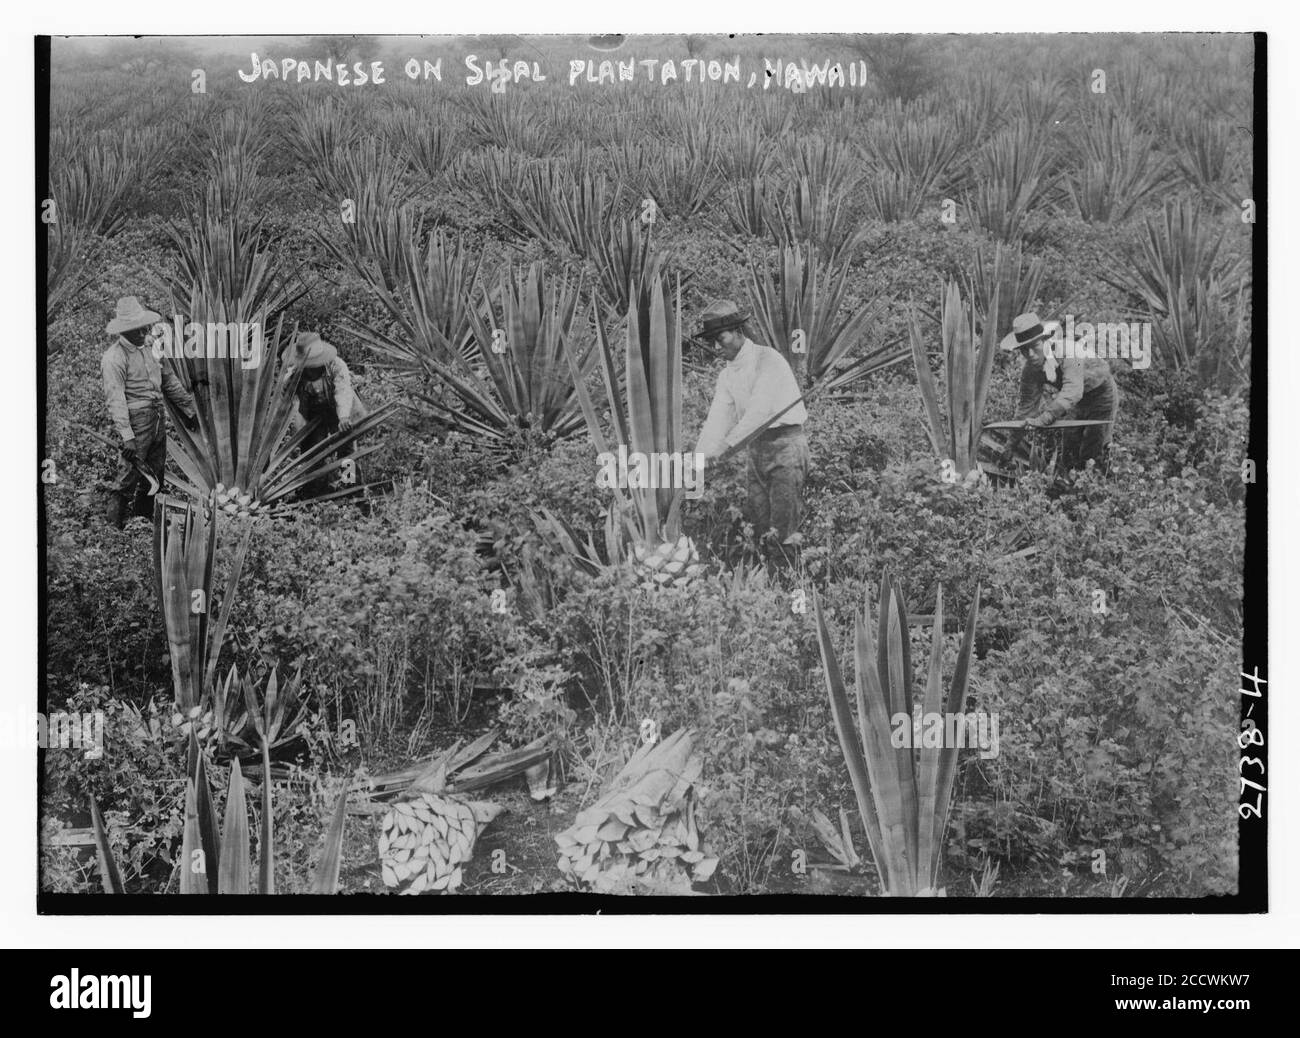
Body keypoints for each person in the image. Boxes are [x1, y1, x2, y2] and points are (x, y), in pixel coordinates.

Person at [693, 300, 809, 547]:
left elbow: (759, 413)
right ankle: (764, 580)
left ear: (738, 332)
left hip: (785, 446)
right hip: (755, 450)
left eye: (720, 338)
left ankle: (785, 578)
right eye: (710, 340)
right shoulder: (727, 375)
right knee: (758, 524)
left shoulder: (768, 360)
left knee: (783, 526)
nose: (715, 346)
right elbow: (717, 420)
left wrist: (725, 447)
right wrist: (698, 460)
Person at [100, 296, 197, 528]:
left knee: (155, 474)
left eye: (143, 325)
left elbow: (168, 379)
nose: (143, 330)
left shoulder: (152, 346)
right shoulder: (114, 358)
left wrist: (188, 407)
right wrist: (127, 437)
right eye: (136, 328)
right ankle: (112, 531)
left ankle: (142, 523)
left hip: (156, 416)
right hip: (135, 421)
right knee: (128, 475)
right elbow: (116, 400)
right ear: (124, 330)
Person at [1000, 311, 1119, 474]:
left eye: (1035, 347)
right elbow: (1025, 409)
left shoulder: (1069, 350)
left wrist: (1045, 418)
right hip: (1077, 401)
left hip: (1101, 394)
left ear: (1045, 340)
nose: (1031, 355)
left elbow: (1073, 390)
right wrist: (1009, 448)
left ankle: (1099, 487)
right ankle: (1069, 490)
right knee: (1069, 446)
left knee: (1094, 447)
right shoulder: (1031, 370)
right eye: (1024, 351)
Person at [284, 331, 366, 497]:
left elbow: (343, 390)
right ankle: (315, 493)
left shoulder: (336, 365)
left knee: (346, 450)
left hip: (340, 411)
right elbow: (289, 403)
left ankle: (350, 490)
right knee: (312, 453)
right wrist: (297, 433)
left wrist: (343, 416)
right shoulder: (293, 377)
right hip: (314, 417)